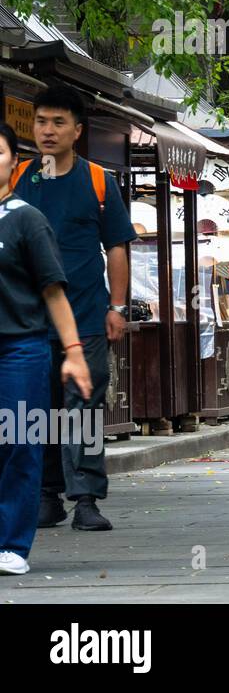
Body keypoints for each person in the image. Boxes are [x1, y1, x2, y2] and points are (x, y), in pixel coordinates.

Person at [15, 85, 136, 533]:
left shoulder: (99, 181)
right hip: (27, 322)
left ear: (77, 131)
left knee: (82, 407)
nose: (47, 130)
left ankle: (85, 497)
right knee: (37, 410)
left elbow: (117, 248)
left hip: (85, 318)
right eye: (41, 121)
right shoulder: (17, 179)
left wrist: (117, 307)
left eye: (58, 122)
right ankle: (47, 496)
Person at [0, 123, 92, 575]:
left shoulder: (26, 219)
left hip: (20, 349)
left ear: (13, 164)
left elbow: (54, 292)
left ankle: (12, 545)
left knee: (17, 440)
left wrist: (73, 351)